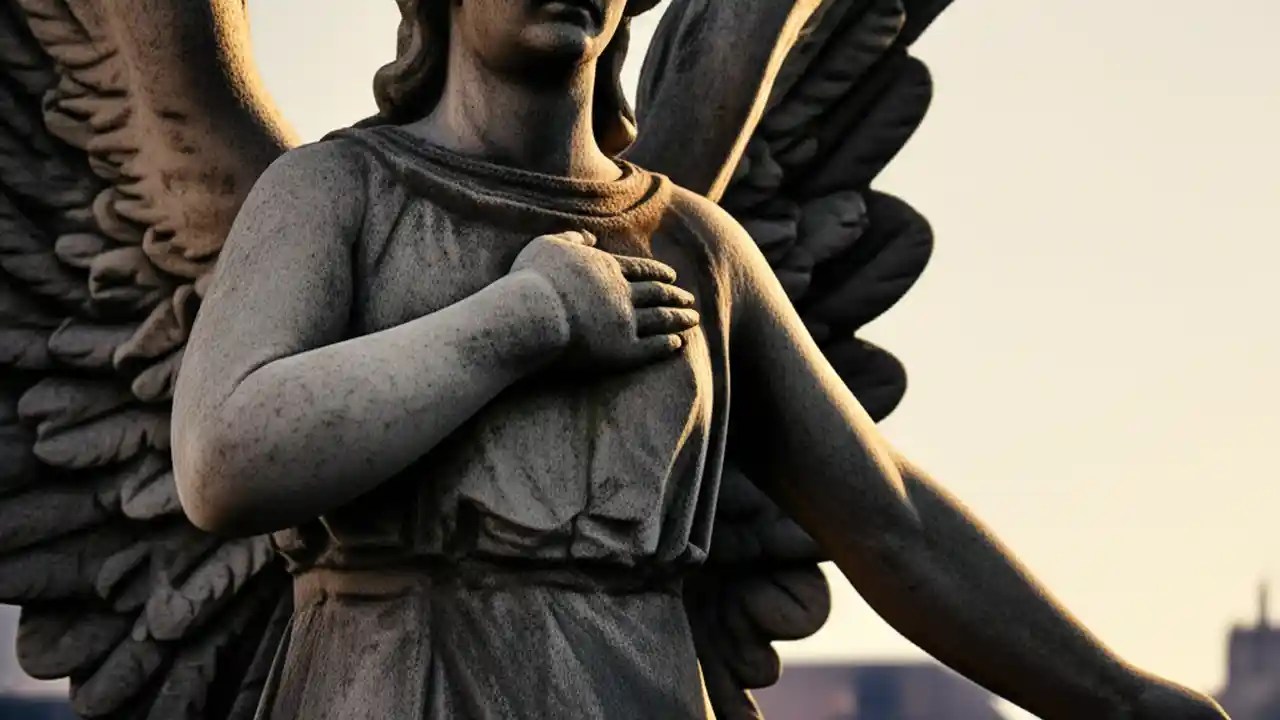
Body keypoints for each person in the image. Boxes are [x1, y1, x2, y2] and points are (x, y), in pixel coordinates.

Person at [171, 0, 1230, 717]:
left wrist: (1124, 700)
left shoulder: (692, 243)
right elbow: (227, 459)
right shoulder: (335, 196)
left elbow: (886, 521)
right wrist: (519, 321)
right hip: (394, 681)